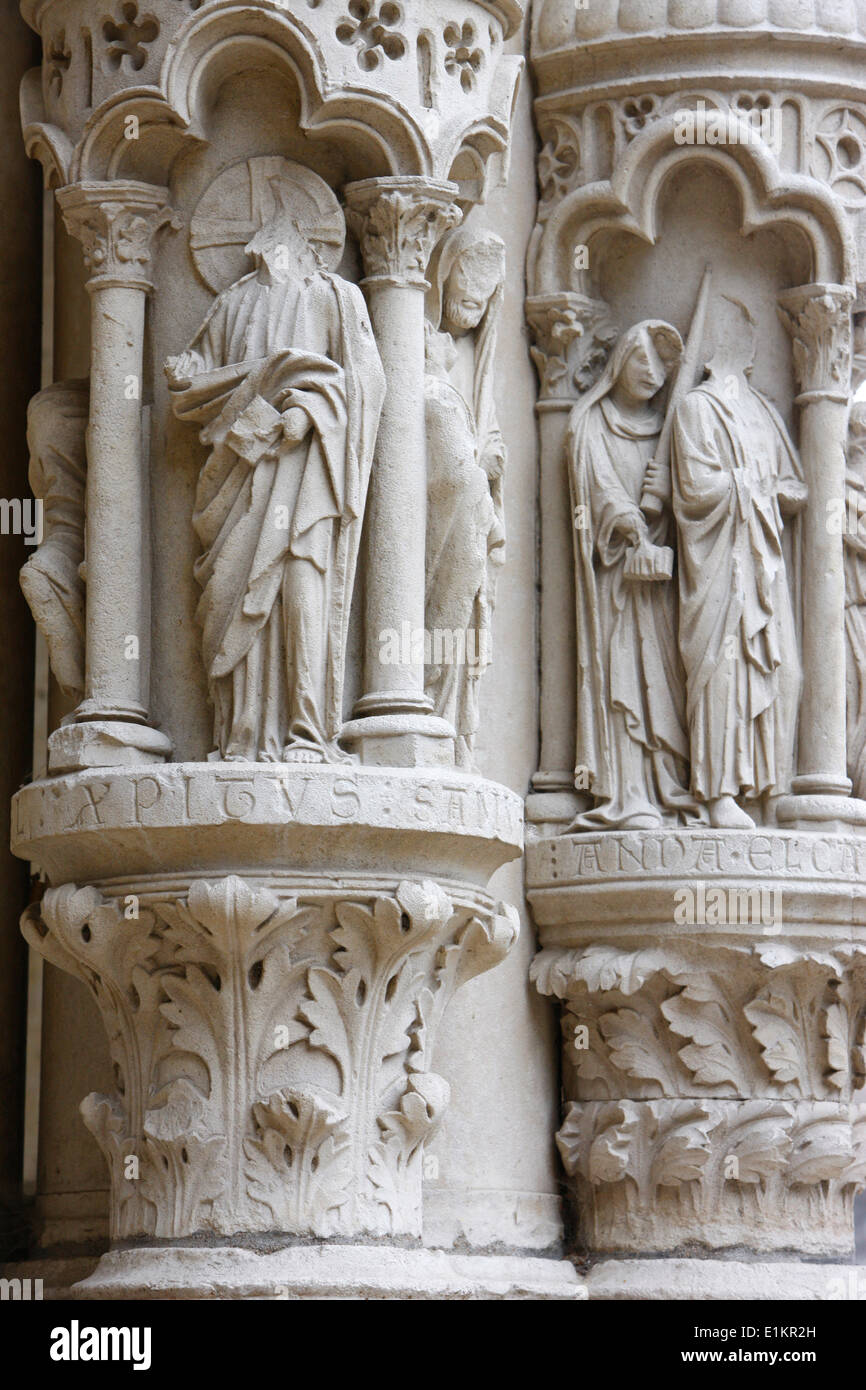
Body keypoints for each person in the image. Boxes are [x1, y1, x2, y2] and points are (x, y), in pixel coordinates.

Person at [166, 183, 385, 762]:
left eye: (284, 226)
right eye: (263, 229)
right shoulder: (232, 302)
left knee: (300, 593)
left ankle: (307, 731)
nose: (271, 232)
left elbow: (365, 382)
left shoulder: (335, 296)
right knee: (233, 594)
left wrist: (308, 409)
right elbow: (202, 374)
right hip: (239, 470)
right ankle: (241, 734)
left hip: (307, 474)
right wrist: (187, 368)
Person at [672, 296, 806, 828]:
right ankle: (718, 791)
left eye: (751, 333)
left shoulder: (764, 409)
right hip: (721, 566)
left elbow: (795, 486)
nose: (750, 343)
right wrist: (751, 485)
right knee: (723, 669)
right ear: (716, 345)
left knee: (785, 672)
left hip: (766, 568)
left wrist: (773, 490)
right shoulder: (697, 408)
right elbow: (694, 492)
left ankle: (774, 785)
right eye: (740, 331)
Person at [568, 320, 700, 829]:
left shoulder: (670, 430)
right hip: (614, 581)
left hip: (660, 584)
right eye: (642, 361)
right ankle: (627, 793)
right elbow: (595, 490)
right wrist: (627, 520)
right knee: (619, 673)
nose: (654, 374)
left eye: (662, 367)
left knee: (662, 678)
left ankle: (666, 781)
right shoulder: (589, 423)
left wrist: (666, 493)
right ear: (621, 361)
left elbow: (681, 509)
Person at [423, 227, 506, 766]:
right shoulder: (419, 343)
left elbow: (485, 432)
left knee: (460, 621)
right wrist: (476, 464)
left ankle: (452, 730)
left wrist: (488, 457)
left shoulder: (472, 359)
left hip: (467, 516)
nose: (471, 315)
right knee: (434, 620)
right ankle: (423, 718)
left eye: (483, 304)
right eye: (464, 298)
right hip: (431, 515)